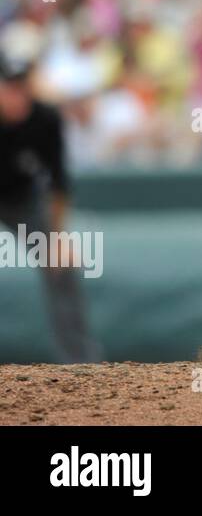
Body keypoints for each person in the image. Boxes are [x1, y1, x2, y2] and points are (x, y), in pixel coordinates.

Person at [0, 52, 103, 364]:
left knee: (63, 266)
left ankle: (80, 364)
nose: (18, 96)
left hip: (23, 202)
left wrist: (56, 236)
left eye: (22, 87)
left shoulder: (44, 118)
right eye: (9, 88)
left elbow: (58, 183)